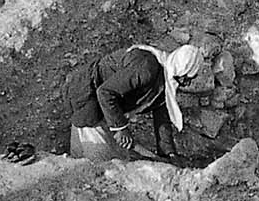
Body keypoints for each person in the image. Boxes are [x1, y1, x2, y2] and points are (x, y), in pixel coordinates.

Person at [65, 43, 202, 161]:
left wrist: (169, 154)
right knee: (100, 164)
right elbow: (106, 92)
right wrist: (121, 129)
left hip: (105, 109)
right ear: (183, 70)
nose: (187, 83)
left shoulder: (165, 83)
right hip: (88, 99)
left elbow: (162, 119)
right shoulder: (147, 67)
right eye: (188, 77)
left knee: (103, 162)